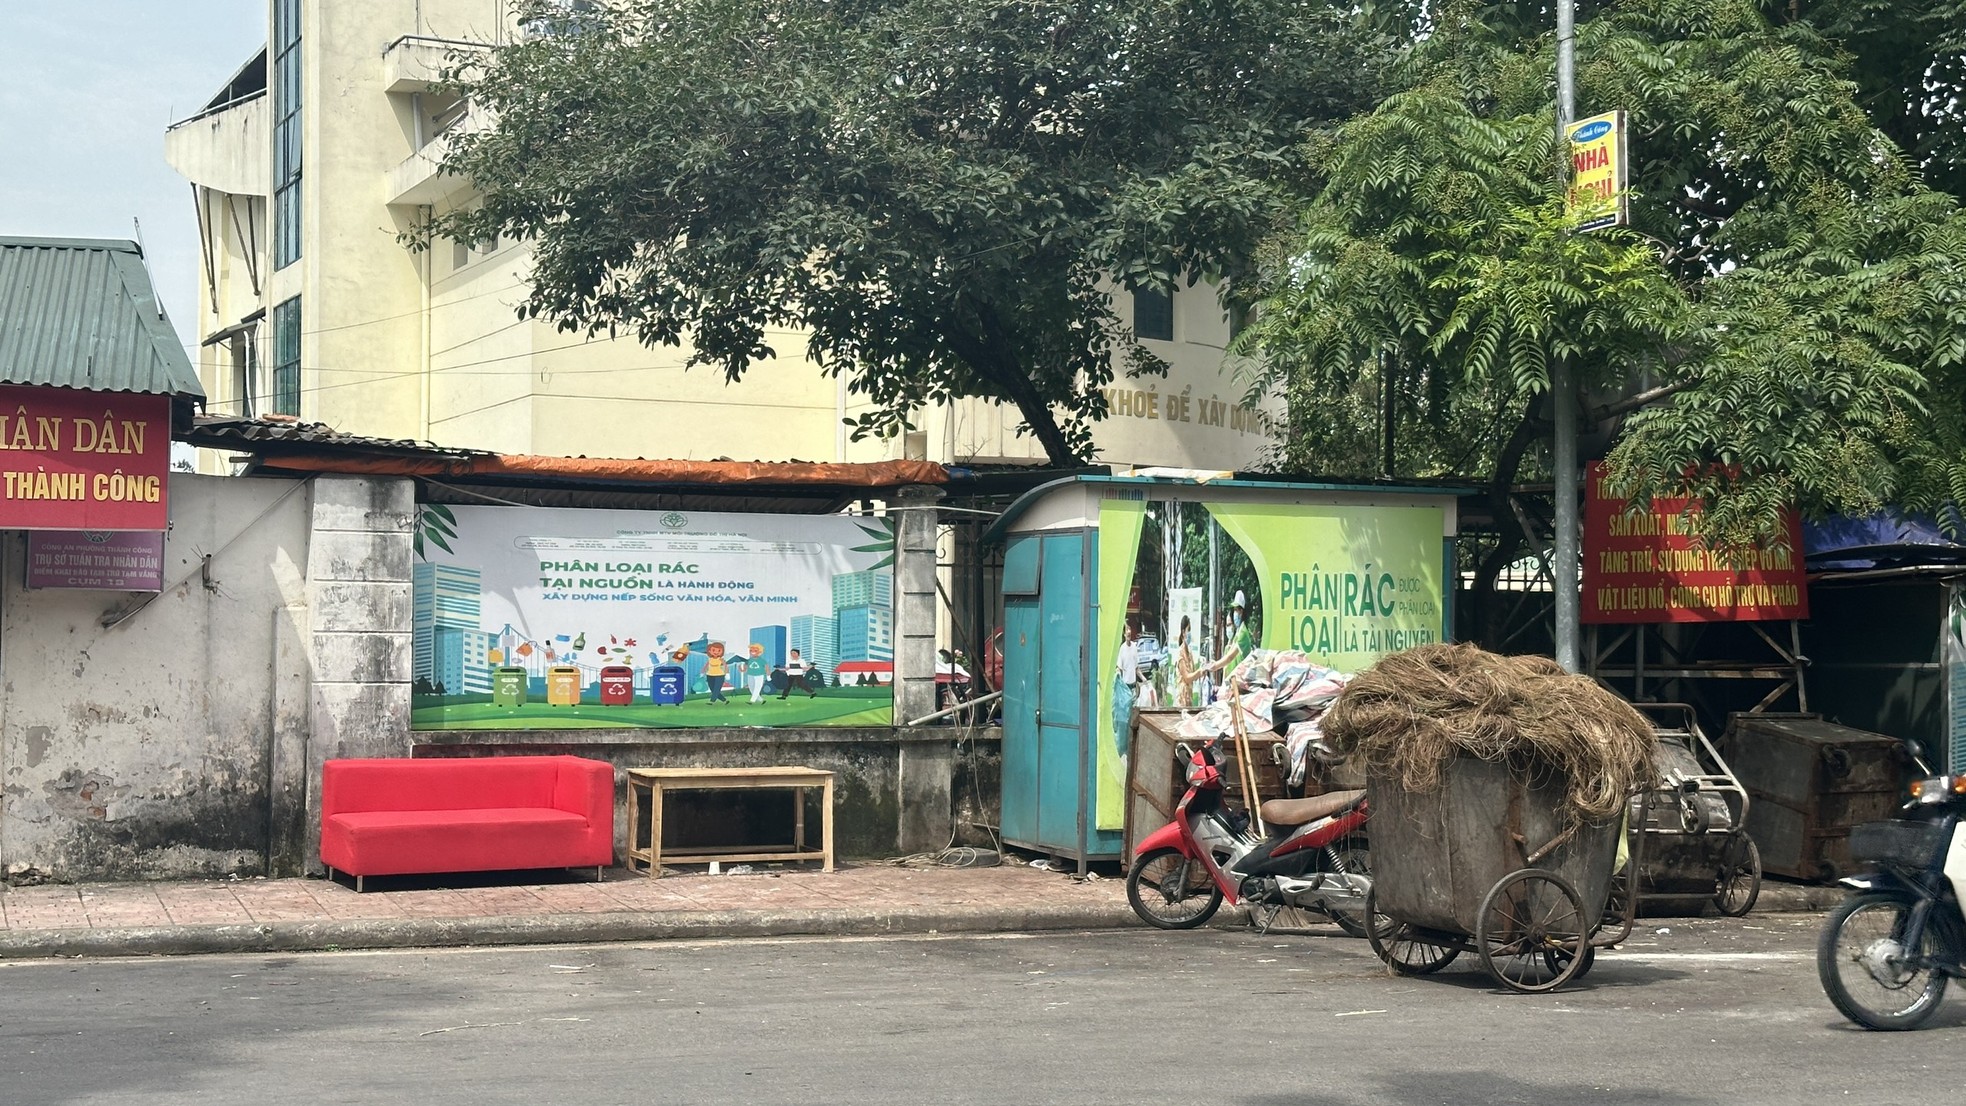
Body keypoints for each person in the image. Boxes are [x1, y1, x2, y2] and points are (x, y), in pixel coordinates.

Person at [1173, 614, 1226, 708]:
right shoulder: (1180, 653)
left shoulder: (1189, 652)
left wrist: (1204, 669)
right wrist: (1200, 671)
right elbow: (1187, 678)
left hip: (1189, 699)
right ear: (1183, 632)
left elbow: (1193, 675)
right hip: (1181, 701)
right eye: (1188, 630)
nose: (1190, 633)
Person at [1112, 620, 1141, 758]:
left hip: (1133, 689)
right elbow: (1119, 668)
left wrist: (1145, 681)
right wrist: (1117, 674)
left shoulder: (1134, 647)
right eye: (1126, 630)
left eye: (1129, 629)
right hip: (1125, 691)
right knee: (1124, 721)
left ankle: (1131, 750)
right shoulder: (1122, 649)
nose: (1128, 632)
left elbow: (1136, 668)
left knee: (1133, 721)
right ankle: (1123, 750)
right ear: (1124, 634)